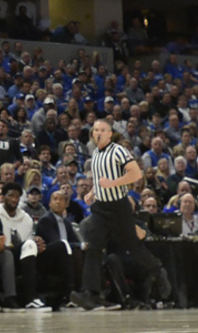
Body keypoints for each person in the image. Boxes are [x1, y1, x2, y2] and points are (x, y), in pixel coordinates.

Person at [70, 119, 169, 311]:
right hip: (100, 207)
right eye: (95, 130)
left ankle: (158, 270)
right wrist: (93, 193)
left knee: (133, 246)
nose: (98, 133)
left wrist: (113, 184)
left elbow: (136, 174)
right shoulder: (97, 154)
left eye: (102, 130)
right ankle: (91, 294)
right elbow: (101, 180)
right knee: (94, 248)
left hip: (118, 206)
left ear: (109, 134)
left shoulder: (118, 151)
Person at [0, 182, 48, 309]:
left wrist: (36, 242)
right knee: (26, 246)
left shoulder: (26, 218)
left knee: (43, 246)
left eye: (17, 197)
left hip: (20, 258)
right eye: (11, 195)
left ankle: (64, 297)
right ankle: (31, 298)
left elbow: (28, 244)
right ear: (3, 196)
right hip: (0, 256)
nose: (14, 199)